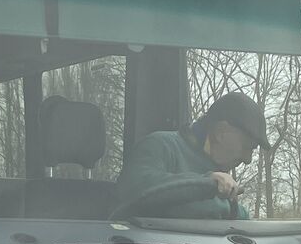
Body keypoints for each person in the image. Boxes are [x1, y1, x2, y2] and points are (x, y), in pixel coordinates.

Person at [116, 91, 270, 218]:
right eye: (246, 147)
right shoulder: (161, 146)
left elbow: (238, 218)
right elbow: (134, 190)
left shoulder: (220, 176)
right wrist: (206, 183)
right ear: (221, 132)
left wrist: (235, 210)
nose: (248, 159)